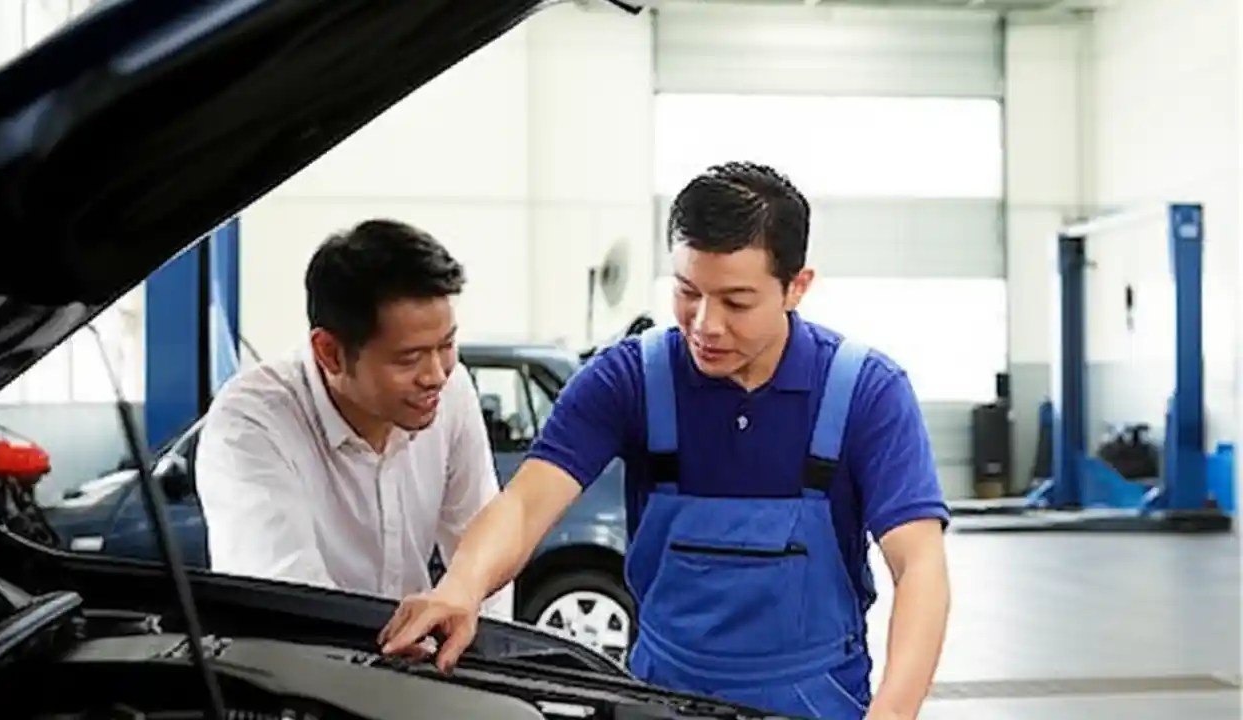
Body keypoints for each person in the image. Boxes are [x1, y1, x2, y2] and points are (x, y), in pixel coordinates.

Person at [377, 163, 950, 720]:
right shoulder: (630, 378)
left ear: (796, 287)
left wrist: (894, 712)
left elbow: (918, 563)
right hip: (659, 698)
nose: (705, 324)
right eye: (687, 291)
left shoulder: (866, 392)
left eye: (736, 302)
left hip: (815, 701)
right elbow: (526, 504)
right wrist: (460, 588)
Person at [196, 219, 512, 620]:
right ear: (329, 352)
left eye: (447, 345)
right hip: (300, 672)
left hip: (416, 670)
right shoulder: (251, 423)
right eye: (409, 358)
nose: (435, 374)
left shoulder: (451, 390)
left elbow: (483, 549)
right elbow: (290, 602)